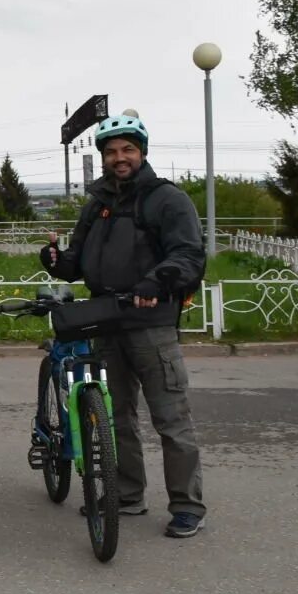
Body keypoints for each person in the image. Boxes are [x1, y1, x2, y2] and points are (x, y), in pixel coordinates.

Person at [41, 114, 209, 538]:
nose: (119, 158)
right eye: (111, 151)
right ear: (103, 157)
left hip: (151, 324)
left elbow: (189, 255)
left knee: (171, 418)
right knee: (115, 418)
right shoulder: (96, 204)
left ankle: (187, 506)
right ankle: (129, 495)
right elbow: (76, 262)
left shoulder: (167, 200)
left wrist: (157, 280)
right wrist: (56, 260)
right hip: (106, 320)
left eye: (127, 150)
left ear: (142, 152)